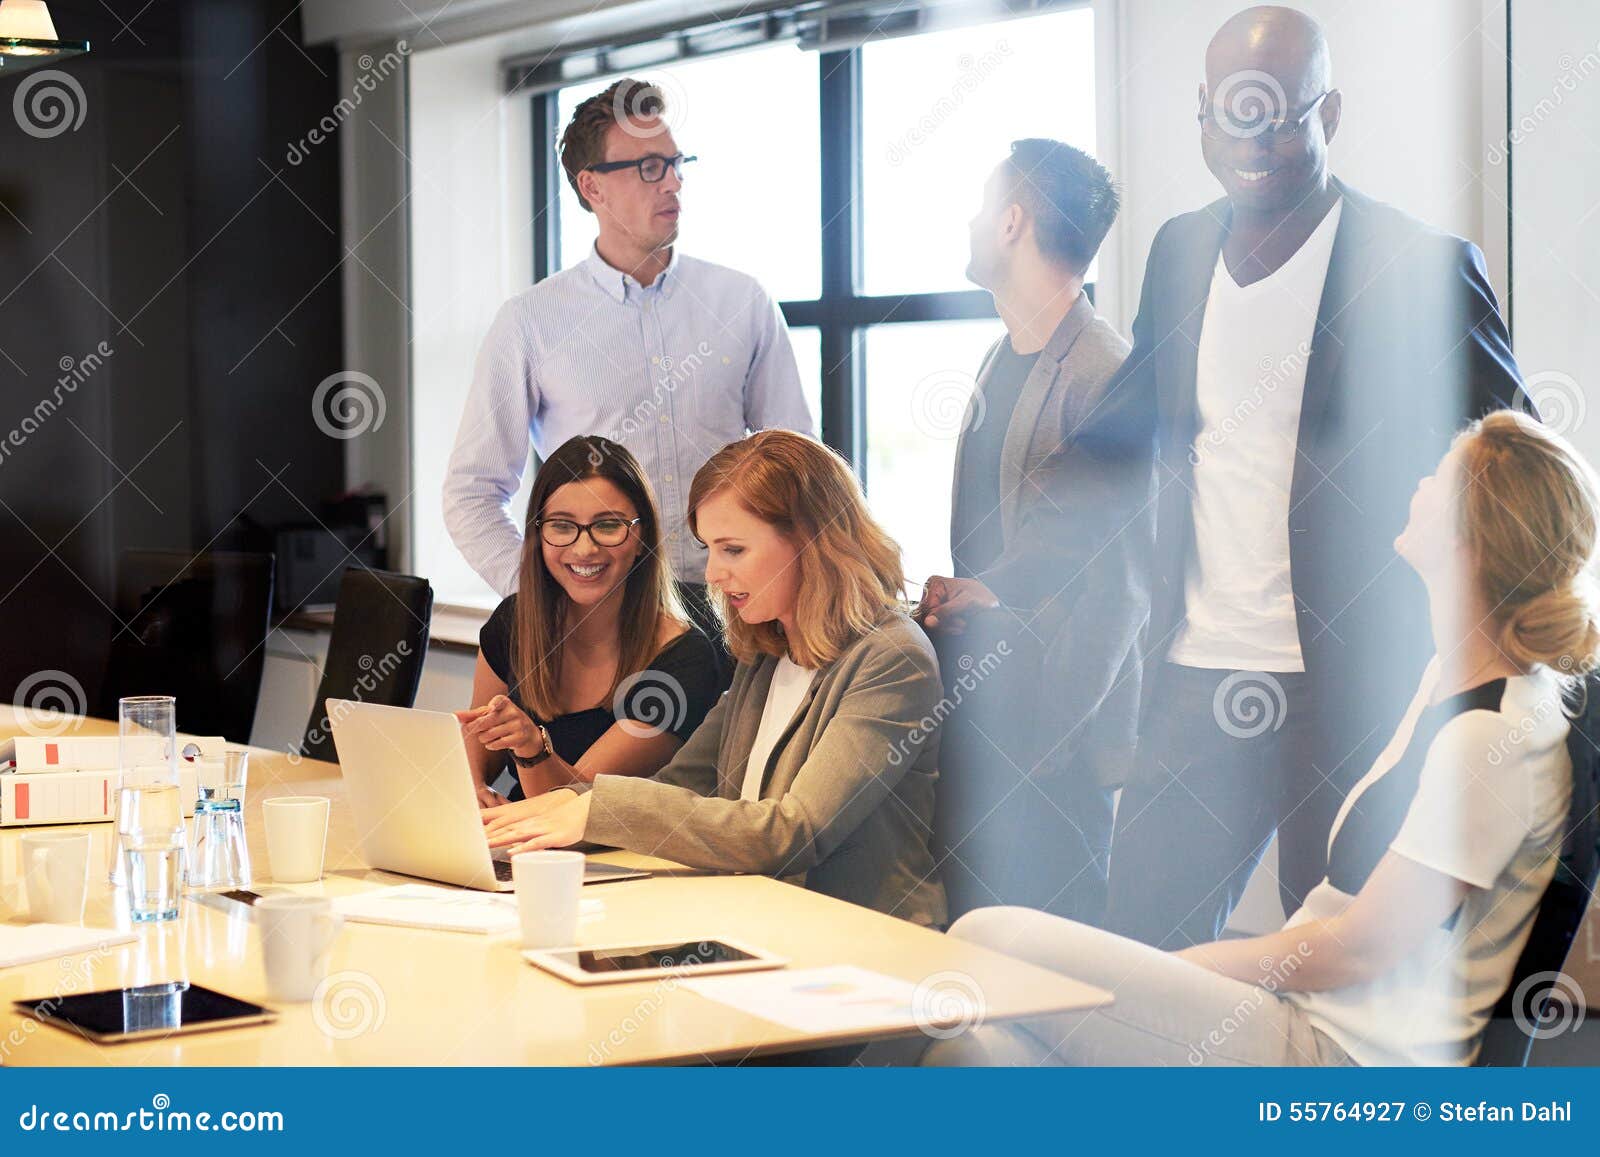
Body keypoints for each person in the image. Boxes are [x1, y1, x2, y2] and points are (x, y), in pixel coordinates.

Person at [925, 409, 1596, 1066]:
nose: (1419, 482)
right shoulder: (1445, 681)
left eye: (1438, 478)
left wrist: (1173, 972)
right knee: (979, 1049)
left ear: (1465, 538)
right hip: (1301, 1020)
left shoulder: (1493, 738)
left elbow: (1356, 950)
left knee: (990, 934)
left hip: (1345, 1058)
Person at [1092, 5, 1530, 947]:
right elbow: (1117, 440)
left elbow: (1517, 470)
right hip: (1198, 673)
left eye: (1280, 116)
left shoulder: (1418, 267)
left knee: (1328, 955)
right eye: (1231, 117)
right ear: (1201, 116)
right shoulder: (1177, 252)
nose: (1252, 142)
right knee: (1135, 945)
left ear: (1329, 113)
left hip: (1355, 687)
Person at [480, 430, 948, 927]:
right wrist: (529, 818)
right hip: (757, 924)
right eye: (709, 549)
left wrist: (592, 810)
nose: (712, 575)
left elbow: (794, 833)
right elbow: (679, 786)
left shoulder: (891, 659)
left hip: (865, 945)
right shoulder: (766, 653)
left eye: (733, 550)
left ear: (810, 542)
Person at [442, 76, 813, 645]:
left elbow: (799, 466)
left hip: (737, 615)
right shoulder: (530, 321)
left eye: (675, 163)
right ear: (592, 187)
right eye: (648, 168)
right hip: (604, 620)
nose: (672, 184)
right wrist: (543, 597)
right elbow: (471, 492)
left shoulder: (742, 301)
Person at [916, 139, 1153, 923]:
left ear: (1013, 222)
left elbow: (1123, 585)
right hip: (982, 703)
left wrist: (1054, 739)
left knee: (1057, 958)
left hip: (1052, 735)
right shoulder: (999, 356)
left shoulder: (1104, 368)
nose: (973, 220)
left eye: (985, 205)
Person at [457, 435, 721, 804]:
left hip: (611, 852)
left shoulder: (683, 661)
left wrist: (533, 748)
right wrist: (475, 790)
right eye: (562, 526)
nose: (584, 549)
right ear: (538, 533)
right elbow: (477, 746)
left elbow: (577, 806)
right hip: (522, 845)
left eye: (608, 525)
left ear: (642, 534)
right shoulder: (512, 622)